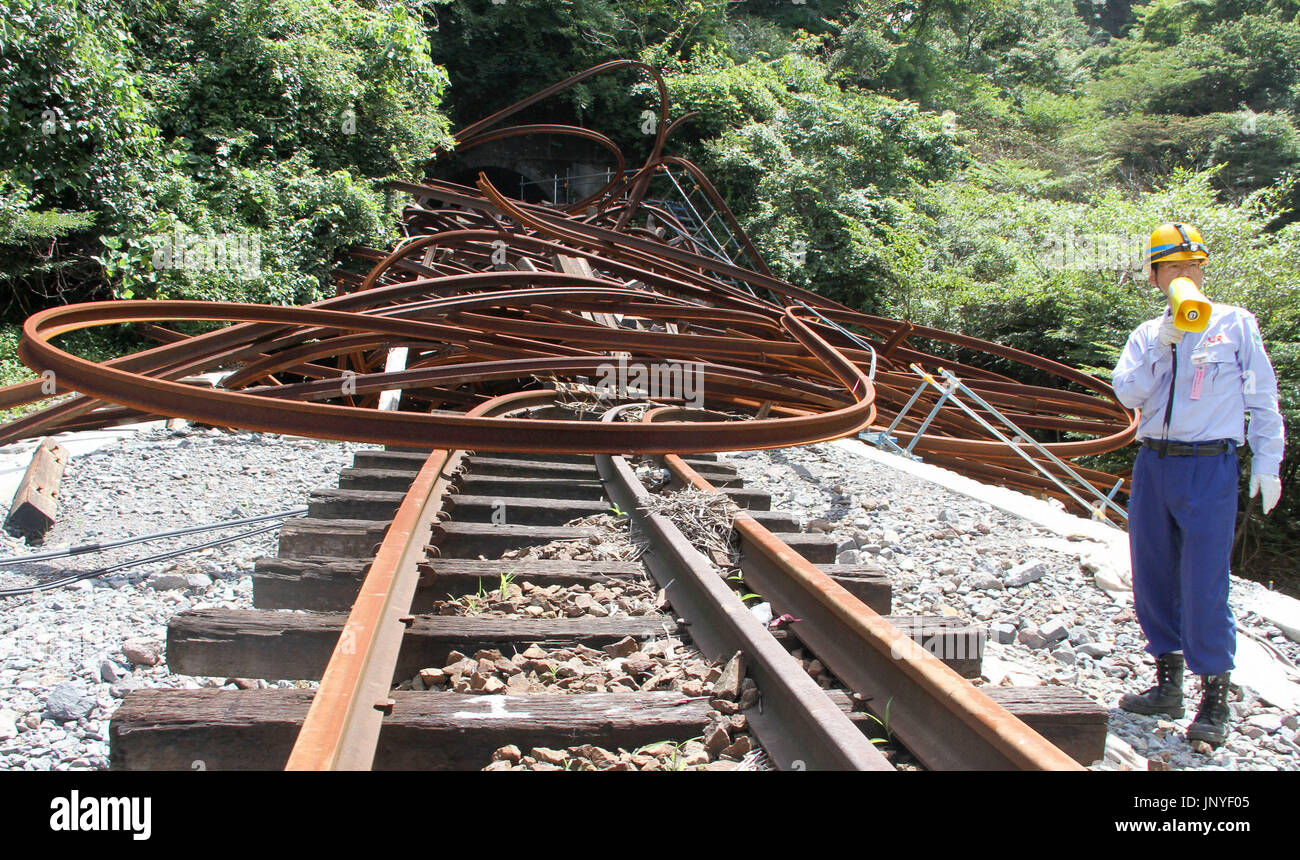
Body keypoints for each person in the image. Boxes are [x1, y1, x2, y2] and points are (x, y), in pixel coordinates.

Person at [1110, 221, 1285, 745]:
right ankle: (1167, 682)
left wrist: (1267, 463)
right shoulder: (1146, 334)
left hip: (1210, 464)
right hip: (1155, 463)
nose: (1186, 274)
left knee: (1205, 579)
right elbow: (1127, 394)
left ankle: (1215, 698)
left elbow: (1263, 399)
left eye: (1194, 266)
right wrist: (1162, 346)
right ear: (1155, 276)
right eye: (1175, 267)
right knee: (1153, 573)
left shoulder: (1236, 325)